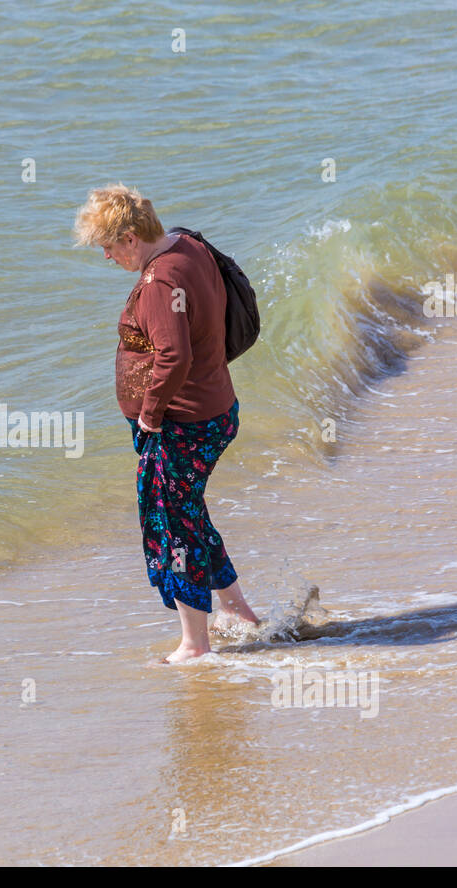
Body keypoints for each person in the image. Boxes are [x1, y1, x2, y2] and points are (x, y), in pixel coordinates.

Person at [73, 183, 260, 663]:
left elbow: (173, 356)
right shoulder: (188, 243)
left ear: (131, 237)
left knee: (170, 524)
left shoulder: (159, 283)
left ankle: (195, 644)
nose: (108, 257)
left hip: (184, 422)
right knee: (188, 512)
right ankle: (237, 612)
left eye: (109, 247)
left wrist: (150, 415)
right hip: (216, 409)